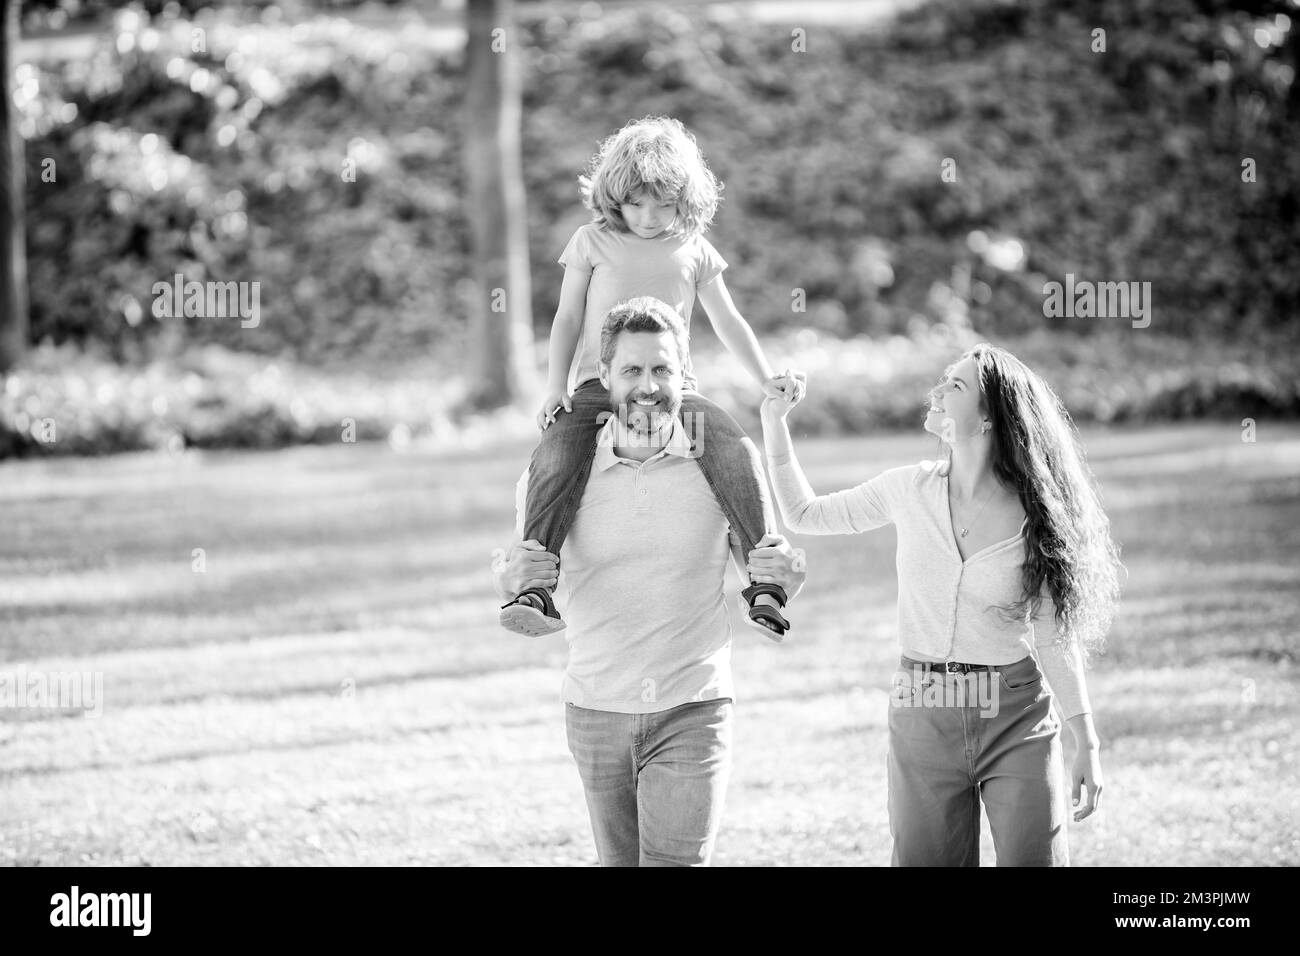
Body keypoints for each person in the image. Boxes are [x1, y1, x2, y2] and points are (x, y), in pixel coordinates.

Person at [760, 343, 1122, 866]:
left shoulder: (1036, 514)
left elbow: (1051, 633)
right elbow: (803, 512)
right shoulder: (908, 488)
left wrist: (1084, 735)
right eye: (943, 379)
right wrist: (775, 421)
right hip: (922, 707)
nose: (938, 390)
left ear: (989, 418)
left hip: (1014, 714)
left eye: (956, 385)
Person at [492, 297, 805, 866]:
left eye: (662, 369)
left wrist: (788, 576)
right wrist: (506, 576)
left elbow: (762, 564)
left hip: (694, 706)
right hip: (595, 707)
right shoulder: (559, 472)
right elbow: (525, 568)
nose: (647, 386)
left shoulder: (717, 465)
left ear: (684, 375)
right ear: (604, 376)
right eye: (632, 370)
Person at [498, 115, 804, 641]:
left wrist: (764, 376)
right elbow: (567, 317)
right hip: (599, 385)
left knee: (735, 450)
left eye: (664, 204)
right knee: (556, 455)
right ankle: (535, 586)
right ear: (615, 197)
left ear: (686, 201)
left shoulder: (693, 247)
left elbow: (728, 320)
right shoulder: (591, 242)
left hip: (673, 390)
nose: (649, 216)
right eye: (637, 203)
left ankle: (764, 583)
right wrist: (555, 387)